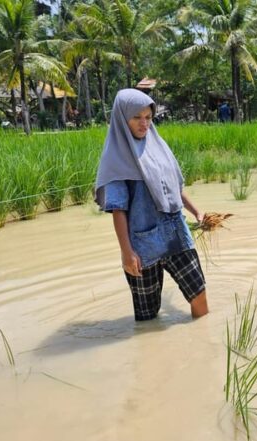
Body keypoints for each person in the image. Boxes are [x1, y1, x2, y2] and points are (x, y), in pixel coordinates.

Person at [95, 89, 209, 321]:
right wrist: (127, 253)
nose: (144, 123)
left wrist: (196, 212)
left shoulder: (157, 147)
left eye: (148, 117)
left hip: (176, 235)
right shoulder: (116, 159)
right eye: (137, 117)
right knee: (147, 318)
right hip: (142, 247)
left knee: (200, 298)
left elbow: (173, 190)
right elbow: (119, 210)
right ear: (121, 118)